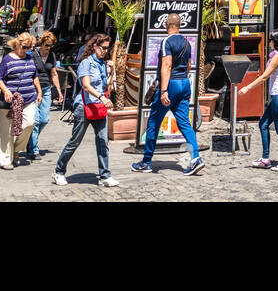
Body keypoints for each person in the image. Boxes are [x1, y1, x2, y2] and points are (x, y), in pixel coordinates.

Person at [132, 13, 205, 176]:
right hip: (184, 84)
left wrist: (164, 90)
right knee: (185, 123)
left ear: (167, 24)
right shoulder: (187, 42)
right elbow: (188, 66)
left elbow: (166, 65)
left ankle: (146, 162)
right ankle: (196, 158)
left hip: (170, 85)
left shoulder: (167, 41)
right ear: (179, 25)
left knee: (153, 123)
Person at [53, 33, 119, 187]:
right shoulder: (86, 63)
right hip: (84, 106)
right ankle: (59, 170)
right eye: (102, 48)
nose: (104, 51)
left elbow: (106, 86)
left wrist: (112, 71)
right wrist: (102, 98)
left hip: (99, 107)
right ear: (95, 46)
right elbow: (86, 85)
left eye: (107, 49)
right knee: (75, 141)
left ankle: (105, 175)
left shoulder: (103, 64)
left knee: (103, 141)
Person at [238, 29, 278, 171]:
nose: (269, 42)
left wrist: (247, 88)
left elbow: (264, 76)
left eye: (270, 39)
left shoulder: (277, 57)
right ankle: (265, 159)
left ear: (276, 42)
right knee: (263, 124)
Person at [0, 32, 42, 170]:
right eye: (25, 47)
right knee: (6, 131)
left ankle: (16, 149)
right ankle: (5, 159)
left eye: (29, 47)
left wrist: (39, 91)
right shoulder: (8, 59)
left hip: (29, 98)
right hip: (10, 100)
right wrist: (6, 91)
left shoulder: (30, 58)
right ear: (17, 44)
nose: (27, 50)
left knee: (30, 123)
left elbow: (34, 75)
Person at [26, 32, 62, 161]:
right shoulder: (32, 55)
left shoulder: (51, 55)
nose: (48, 48)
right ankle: (34, 149)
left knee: (44, 120)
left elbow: (54, 74)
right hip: (34, 90)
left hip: (46, 89)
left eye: (51, 45)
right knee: (35, 121)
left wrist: (59, 91)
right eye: (46, 45)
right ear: (41, 44)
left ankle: (29, 141)